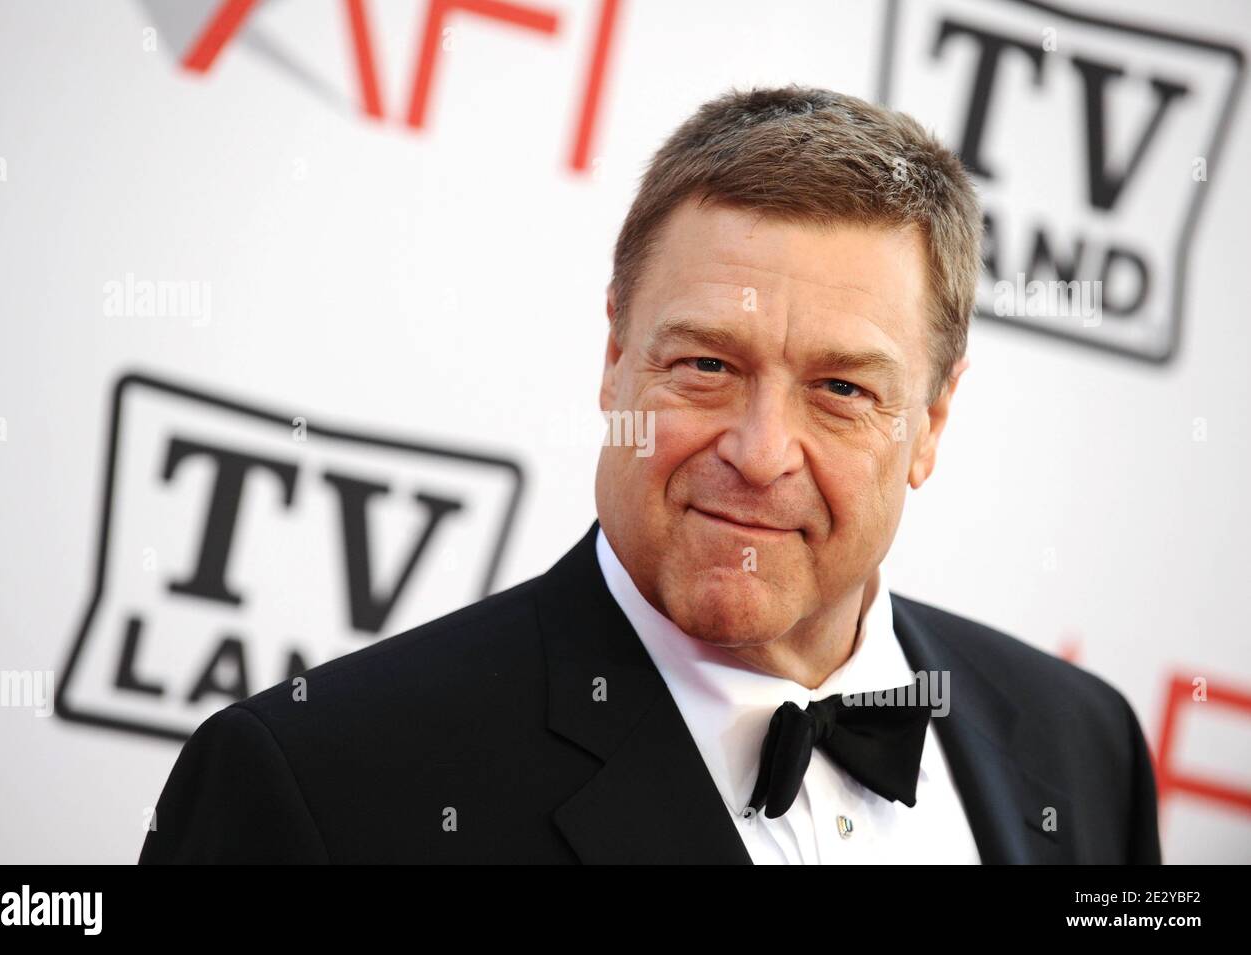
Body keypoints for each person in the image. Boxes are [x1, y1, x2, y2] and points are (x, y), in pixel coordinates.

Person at [140, 85, 1161, 864]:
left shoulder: (1083, 747)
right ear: (614, 358)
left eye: (842, 389)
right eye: (706, 367)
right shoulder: (319, 784)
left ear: (931, 423)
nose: (760, 453)